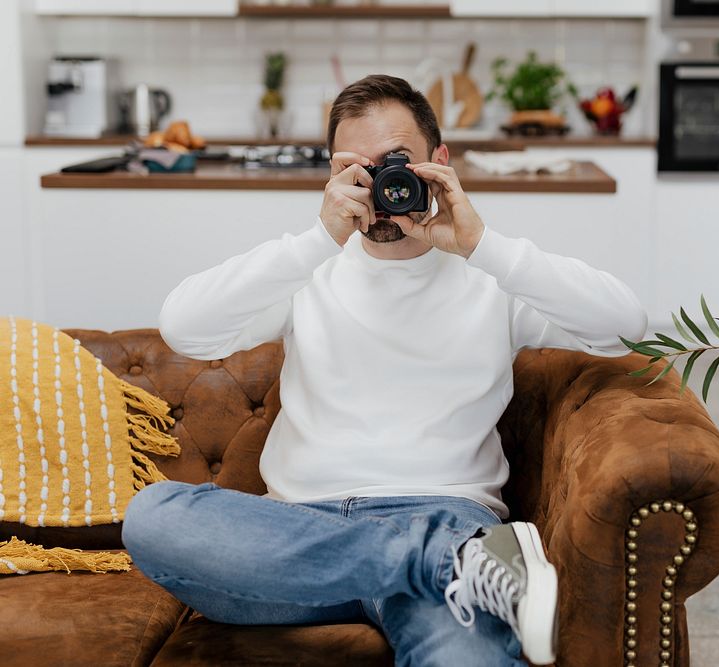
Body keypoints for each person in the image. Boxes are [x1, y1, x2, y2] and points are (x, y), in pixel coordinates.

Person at [122, 74, 647, 666]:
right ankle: (440, 560)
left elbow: (626, 328)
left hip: (442, 511)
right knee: (153, 518)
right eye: (359, 169)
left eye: (396, 162)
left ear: (439, 162)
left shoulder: (491, 274)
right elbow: (184, 328)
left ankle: (439, 556)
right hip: (301, 539)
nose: (381, 186)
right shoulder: (308, 268)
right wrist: (319, 239)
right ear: (335, 176)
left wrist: (482, 245)